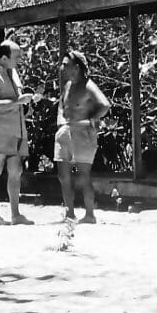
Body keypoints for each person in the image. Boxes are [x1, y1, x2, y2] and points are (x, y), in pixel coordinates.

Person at [0, 40, 37, 226]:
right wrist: (18, 102)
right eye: (17, 56)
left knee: (16, 170)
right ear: (4, 58)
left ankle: (15, 214)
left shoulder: (12, 72)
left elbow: (15, 100)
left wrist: (27, 106)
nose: (20, 59)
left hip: (16, 129)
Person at [55, 50, 111, 224]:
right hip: (65, 133)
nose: (62, 68)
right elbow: (62, 106)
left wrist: (91, 119)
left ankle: (89, 215)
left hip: (83, 134)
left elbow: (104, 105)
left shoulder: (88, 86)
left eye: (66, 64)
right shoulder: (67, 85)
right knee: (63, 175)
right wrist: (62, 124)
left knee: (83, 175)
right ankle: (69, 213)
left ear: (76, 67)